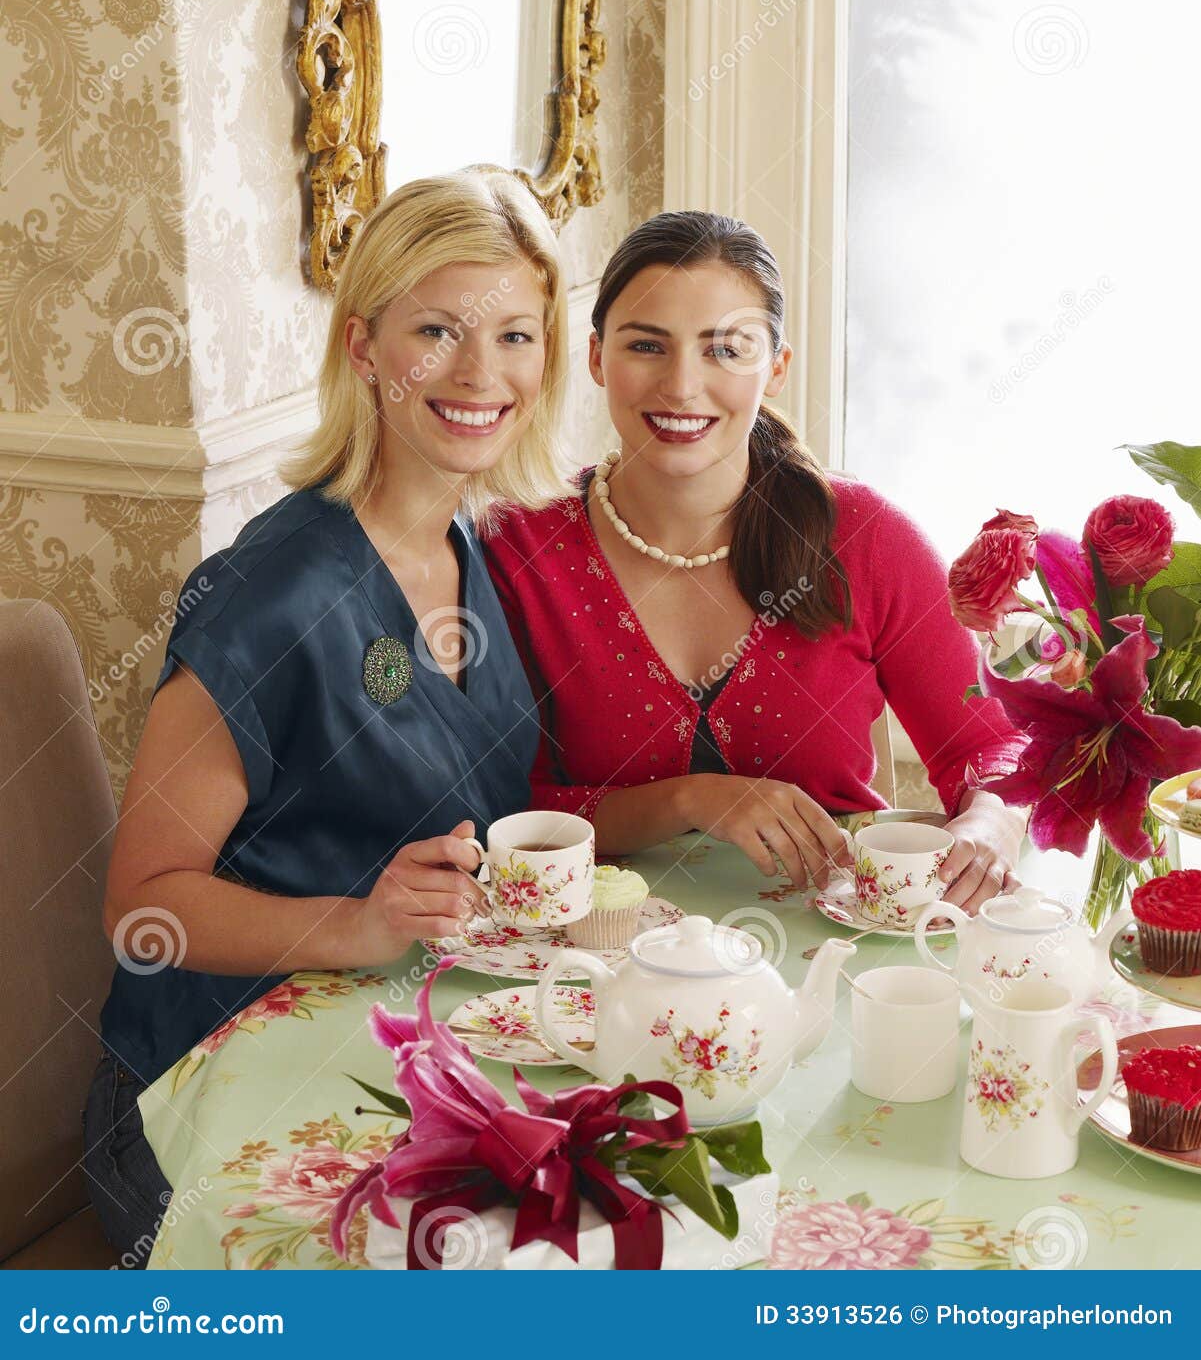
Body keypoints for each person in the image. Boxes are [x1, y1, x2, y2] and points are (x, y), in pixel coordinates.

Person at [84, 168, 569, 1264]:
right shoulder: (271, 595)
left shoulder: (476, 545)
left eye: (514, 336)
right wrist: (358, 925)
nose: (479, 373)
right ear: (364, 349)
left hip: (390, 1053)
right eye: (436, 331)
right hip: (199, 1093)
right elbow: (141, 906)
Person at [484, 210, 1027, 909]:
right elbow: (505, 804)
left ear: (775, 368)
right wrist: (690, 799)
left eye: (725, 350)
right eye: (646, 345)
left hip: (839, 942)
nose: (682, 385)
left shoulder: (866, 538)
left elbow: (991, 749)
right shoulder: (520, 545)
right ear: (595, 357)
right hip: (594, 951)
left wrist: (989, 822)